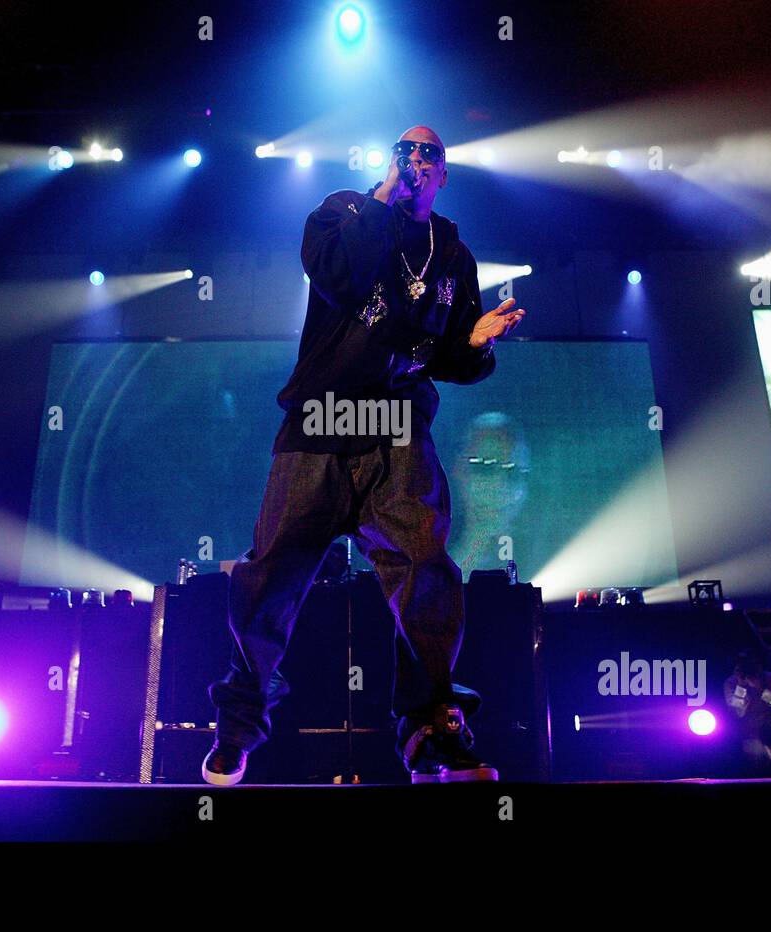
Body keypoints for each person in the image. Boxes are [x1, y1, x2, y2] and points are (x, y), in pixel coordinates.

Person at [202, 125, 526, 785]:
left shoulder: (454, 254)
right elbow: (339, 277)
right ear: (391, 163)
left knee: (426, 574)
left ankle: (431, 728)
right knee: (269, 577)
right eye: (406, 150)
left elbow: (450, 358)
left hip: (397, 430)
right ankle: (239, 726)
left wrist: (480, 343)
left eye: (430, 153)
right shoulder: (340, 212)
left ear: (444, 174)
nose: (417, 160)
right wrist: (384, 196)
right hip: (320, 425)